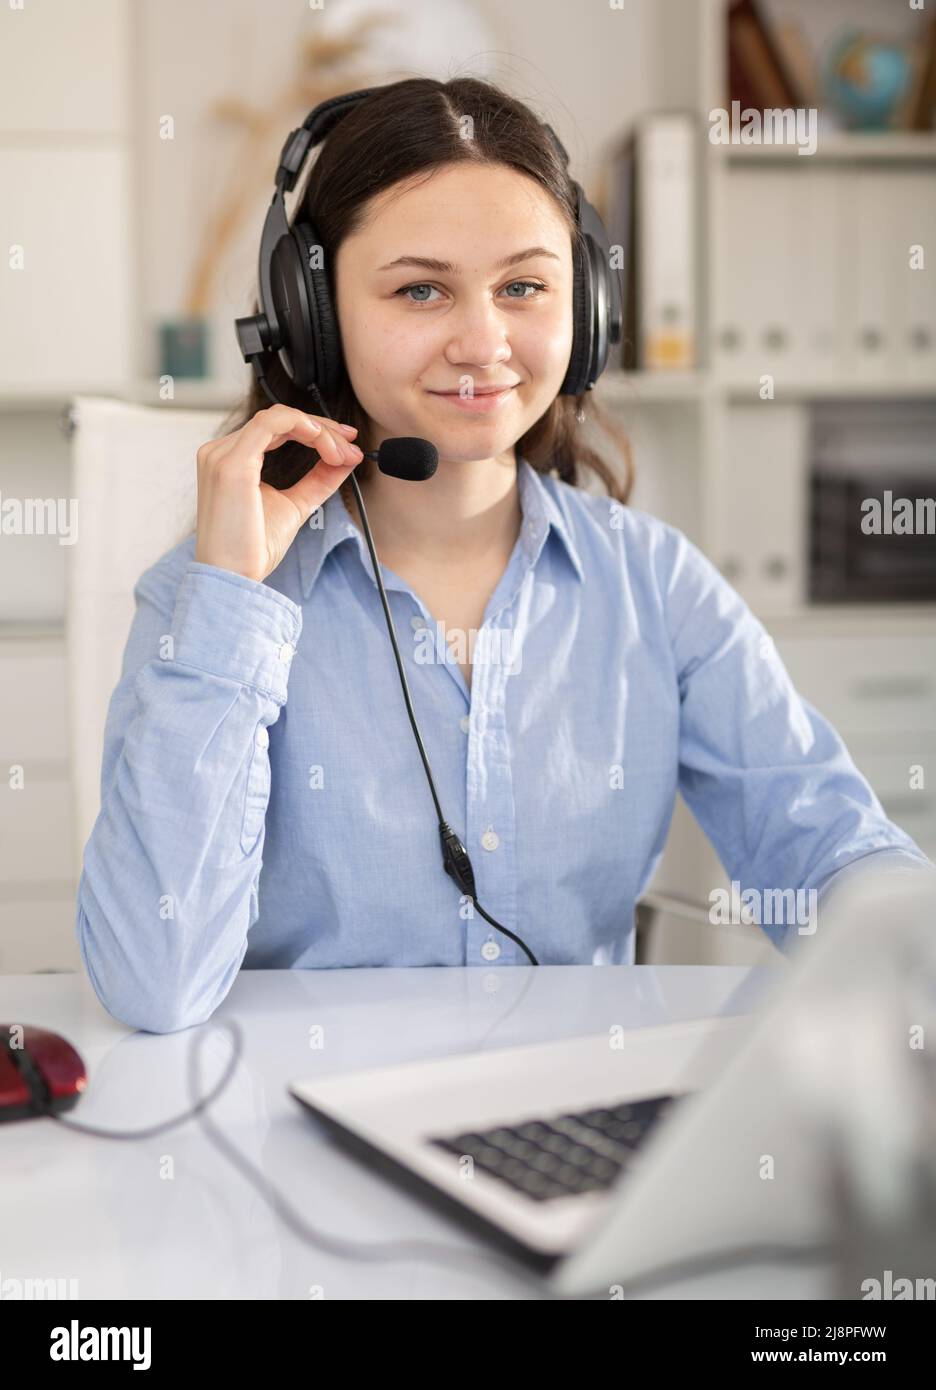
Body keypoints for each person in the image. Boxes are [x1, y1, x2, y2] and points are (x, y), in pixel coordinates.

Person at [75, 77, 931, 1035]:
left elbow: (827, 844)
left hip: (559, 1135)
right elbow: (154, 986)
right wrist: (232, 596)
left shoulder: (654, 585)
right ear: (311, 315)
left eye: (524, 286)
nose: (483, 342)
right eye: (420, 289)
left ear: (588, 307)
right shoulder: (209, 600)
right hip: (285, 1133)